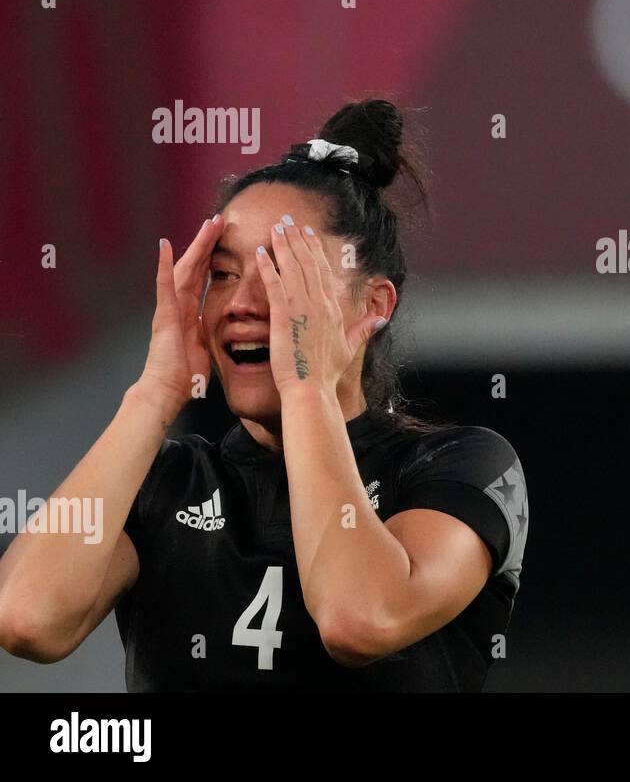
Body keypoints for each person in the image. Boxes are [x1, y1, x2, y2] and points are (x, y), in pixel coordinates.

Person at [0, 99, 528, 691]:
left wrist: (307, 390)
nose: (243, 302)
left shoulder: (456, 466)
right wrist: (154, 393)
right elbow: (27, 620)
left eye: (283, 272)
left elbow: (360, 618)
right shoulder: (171, 481)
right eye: (222, 275)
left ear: (374, 306)